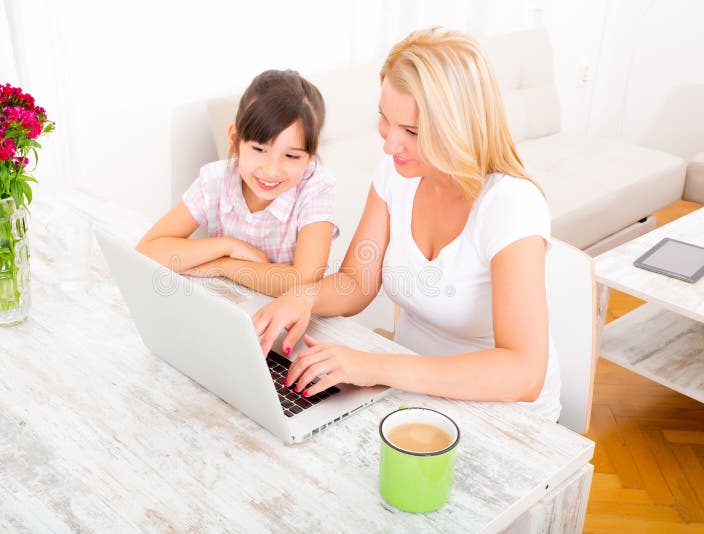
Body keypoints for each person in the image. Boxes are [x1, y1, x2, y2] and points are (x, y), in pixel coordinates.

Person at [252, 27, 561, 421]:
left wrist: (372, 366)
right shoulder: (396, 174)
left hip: (503, 415)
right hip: (412, 394)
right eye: (384, 118)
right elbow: (355, 282)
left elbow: (522, 373)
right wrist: (305, 296)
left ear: (458, 128)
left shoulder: (510, 205)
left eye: (412, 132)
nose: (389, 144)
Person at [137, 70, 339, 297]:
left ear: (311, 154)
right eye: (259, 150)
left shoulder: (316, 189)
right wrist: (229, 246)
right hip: (225, 307)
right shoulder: (216, 180)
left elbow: (304, 283)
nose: (272, 170)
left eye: (292, 156)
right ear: (235, 140)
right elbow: (148, 249)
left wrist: (223, 266)